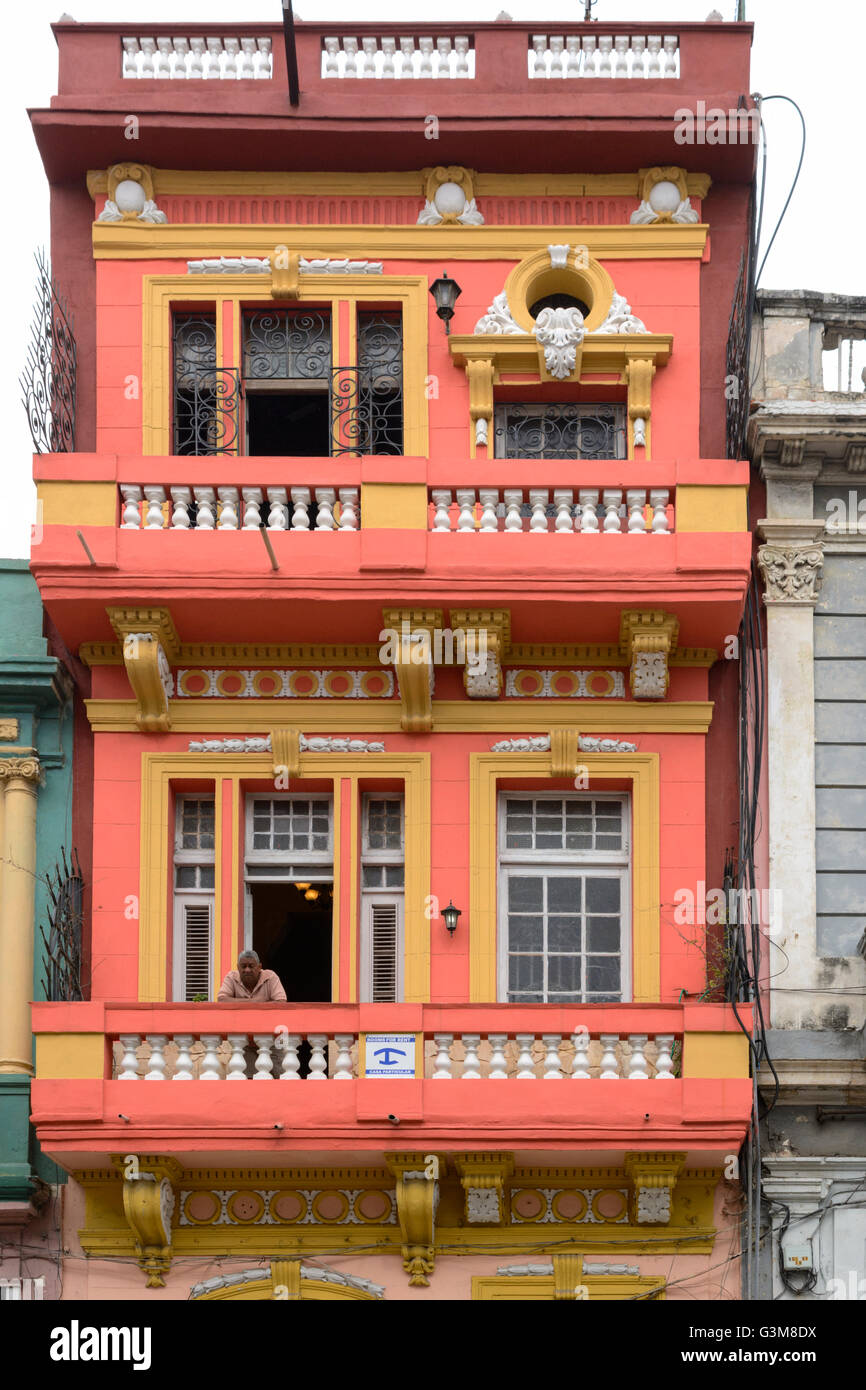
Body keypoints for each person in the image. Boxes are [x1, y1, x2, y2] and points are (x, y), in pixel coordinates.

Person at [218, 950, 287, 1002]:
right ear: (238, 967)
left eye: (251, 966)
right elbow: (222, 999)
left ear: (259, 967)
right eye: (243, 966)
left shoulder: (270, 976)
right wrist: (256, 1001)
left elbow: (281, 1001)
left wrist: (239, 1002)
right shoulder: (231, 977)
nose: (247, 970)